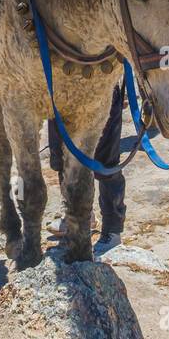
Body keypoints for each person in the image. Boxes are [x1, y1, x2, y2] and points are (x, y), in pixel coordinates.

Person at [48, 84, 125, 255]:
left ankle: (112, 230)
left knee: (106, 164)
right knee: (63, 159)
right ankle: (78, 217)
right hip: (60, 89)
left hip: (101, 87)